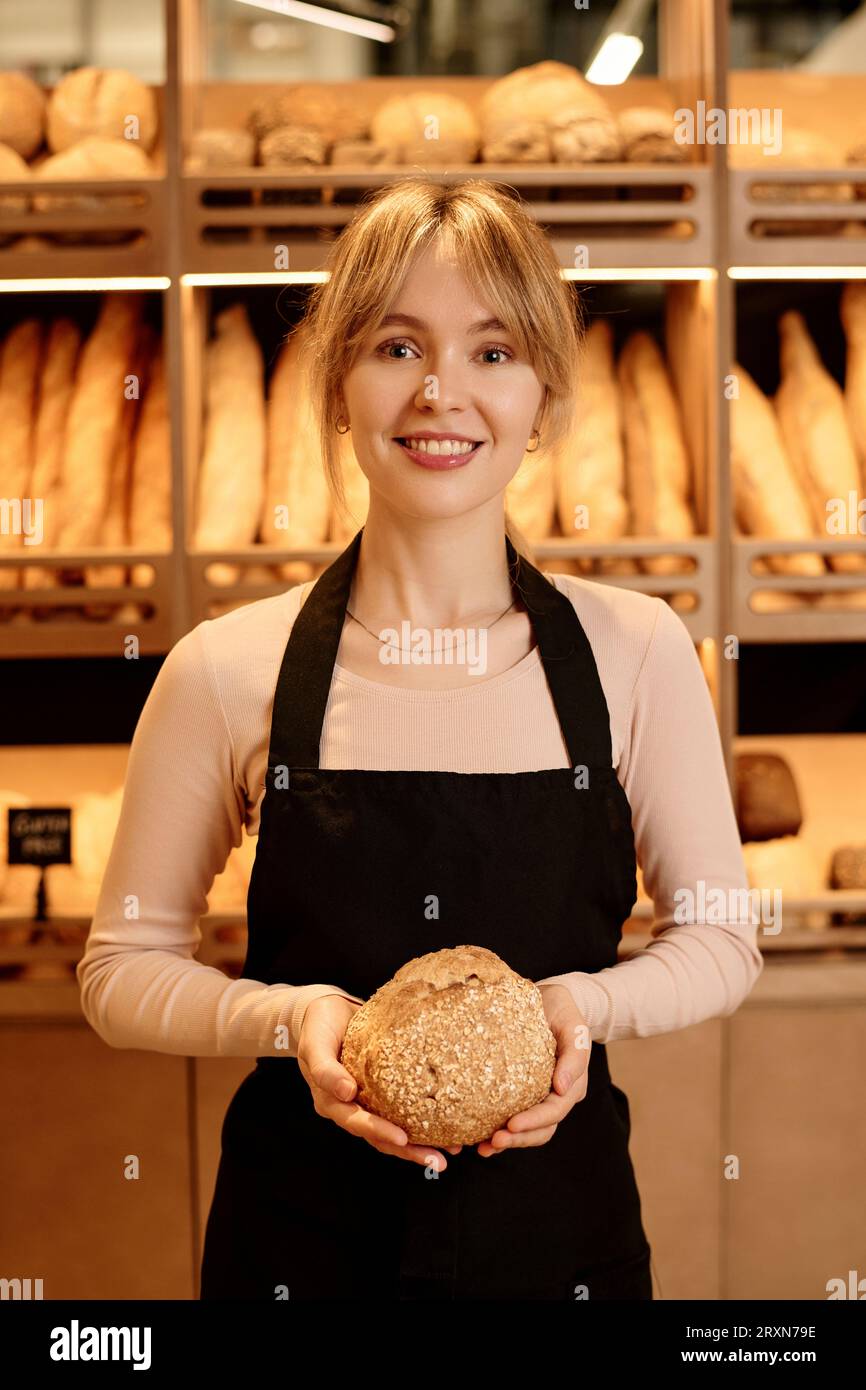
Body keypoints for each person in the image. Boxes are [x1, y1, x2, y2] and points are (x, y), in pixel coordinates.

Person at [78, 177, 763, 1301]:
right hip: (300, 1248)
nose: (440, 392)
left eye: (492, 353)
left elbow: (722, 936)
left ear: (541, 397)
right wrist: (292, 1016)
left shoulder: (633, 649)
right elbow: (120, 970)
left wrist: (579, 1007)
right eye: (396, 346)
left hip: (558, 1250)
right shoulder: (227, 667)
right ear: (340, 388)